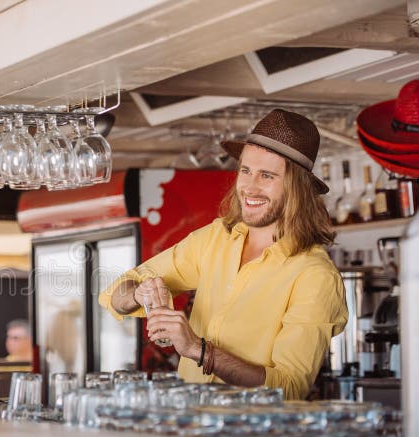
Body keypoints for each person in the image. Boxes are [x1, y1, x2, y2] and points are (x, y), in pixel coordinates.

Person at [99, 109, 348, 400]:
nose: (249, 187)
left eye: (266, 175)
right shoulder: (218, 238)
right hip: (189, 427)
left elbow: (288, 388)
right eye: (245, 170)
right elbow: (116, 292)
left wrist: (197, 349)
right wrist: (138, 295)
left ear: (297, 189)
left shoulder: (314, 276)